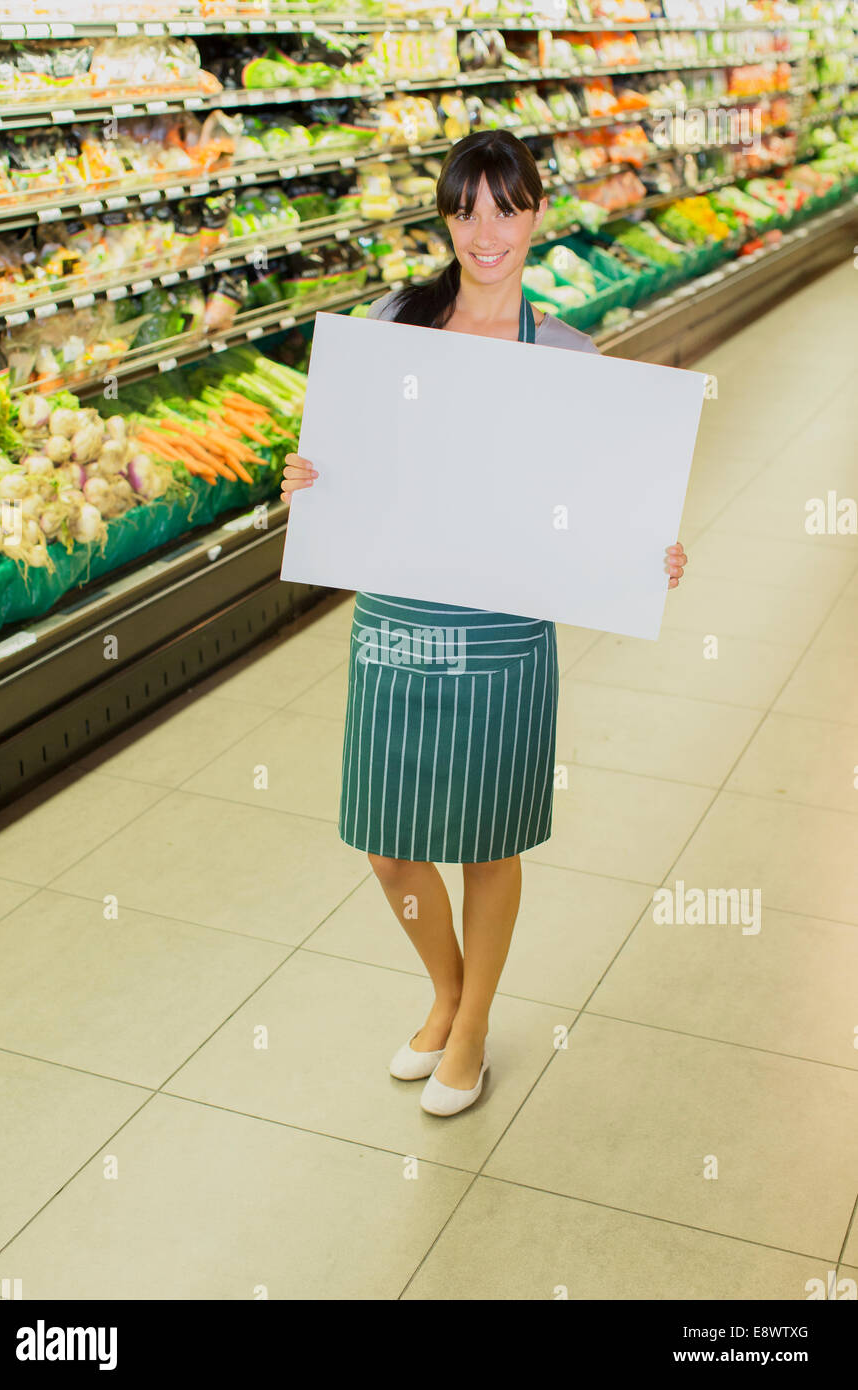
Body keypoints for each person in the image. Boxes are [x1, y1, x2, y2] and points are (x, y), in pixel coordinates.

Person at [281, 130, 688, 1117]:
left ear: (537, 215)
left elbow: (599, 503)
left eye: (505, 208)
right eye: (467, 209)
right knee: (388, 840)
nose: (486, 231)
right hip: (396, 615)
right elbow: (346, 454)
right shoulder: (395, 323)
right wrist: (308, 479)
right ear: (446, 219)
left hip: (503, 635)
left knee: (485, 837)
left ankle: (468, 1023)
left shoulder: (563, 353)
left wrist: (647, 553)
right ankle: (446, 984)